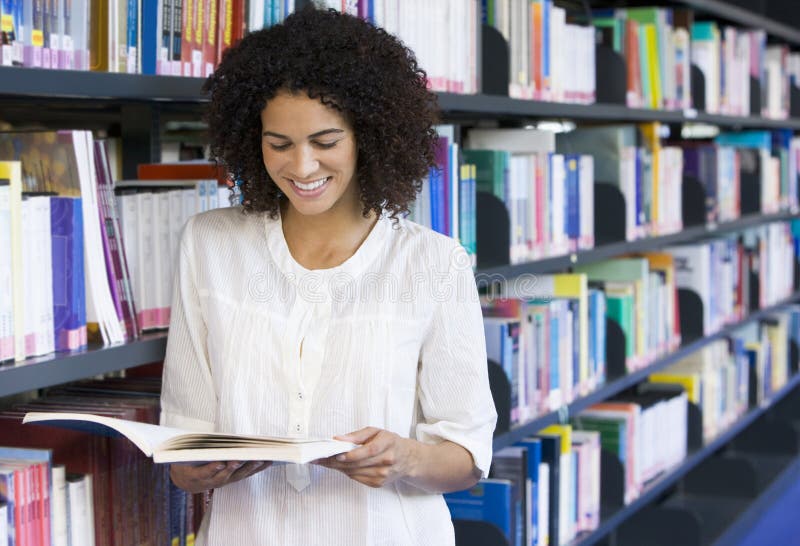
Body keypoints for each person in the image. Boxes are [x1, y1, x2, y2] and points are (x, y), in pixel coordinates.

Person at [160, 5, 497, 545]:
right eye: (278, 144)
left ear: (369, 134)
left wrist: (405, 458)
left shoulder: (434, 263)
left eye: (324, 142)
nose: (301, 167)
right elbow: (183, 445)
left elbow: (467, 458)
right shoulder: (210, 244)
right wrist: (193, 467)